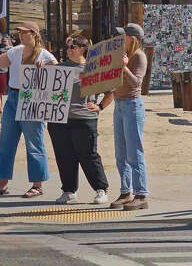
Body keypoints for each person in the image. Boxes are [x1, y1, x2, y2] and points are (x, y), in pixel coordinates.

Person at [46, 34, 114, 205]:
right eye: (67, 47)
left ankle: (101, 189)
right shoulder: (59, 67)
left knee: (88, 155)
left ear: (83, 49)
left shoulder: (93, 69)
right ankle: (68, 191)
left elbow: (110, 92)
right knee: (64, 156)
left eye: (72, 47)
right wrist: (41, 70)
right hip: (59, 120)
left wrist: (99, 107)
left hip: (84, 118)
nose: (68, 50)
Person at [0, 22, 57, 197]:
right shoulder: (16, 51)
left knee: (34, 143)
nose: (21, 35)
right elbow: (2, 61)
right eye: (20, 32)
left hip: (32, 99)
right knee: (6, 141)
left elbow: (58, 71)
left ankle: (37, 185)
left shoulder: (43, 53)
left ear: (34, 34)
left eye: (25, 32)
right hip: (12, 97)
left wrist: (46, 66)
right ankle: (2, 181)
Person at [108, 23, 150, 210]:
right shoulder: (122, 54)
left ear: (132, 38)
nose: (120, 39)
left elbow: (136, 83)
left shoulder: (139, 56)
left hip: (132, 105)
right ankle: (126, 191)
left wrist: (124, 68)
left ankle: (141, 194)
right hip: (119, 104)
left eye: (123, 36)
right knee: (121, 152)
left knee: (134, 152)